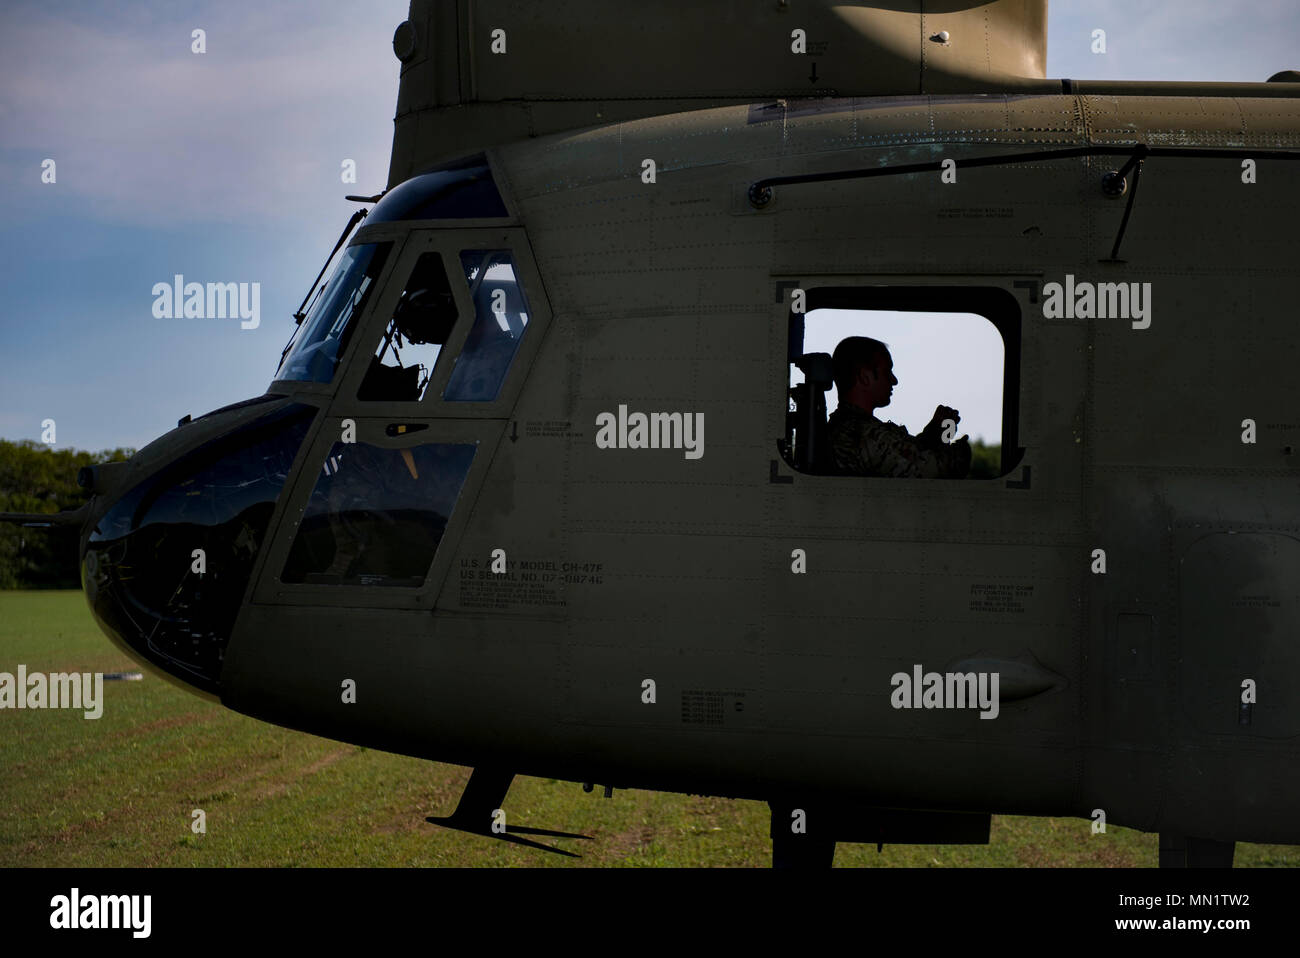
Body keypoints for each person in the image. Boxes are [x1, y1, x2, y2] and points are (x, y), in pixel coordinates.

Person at [826, 336, 971, 478]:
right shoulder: (864, 434)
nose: (894, 380)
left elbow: (911, 455)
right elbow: (939, 469)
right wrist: (962, 449)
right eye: (887, 371)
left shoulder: (850, 428)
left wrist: (935, 433)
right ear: (865, 377)